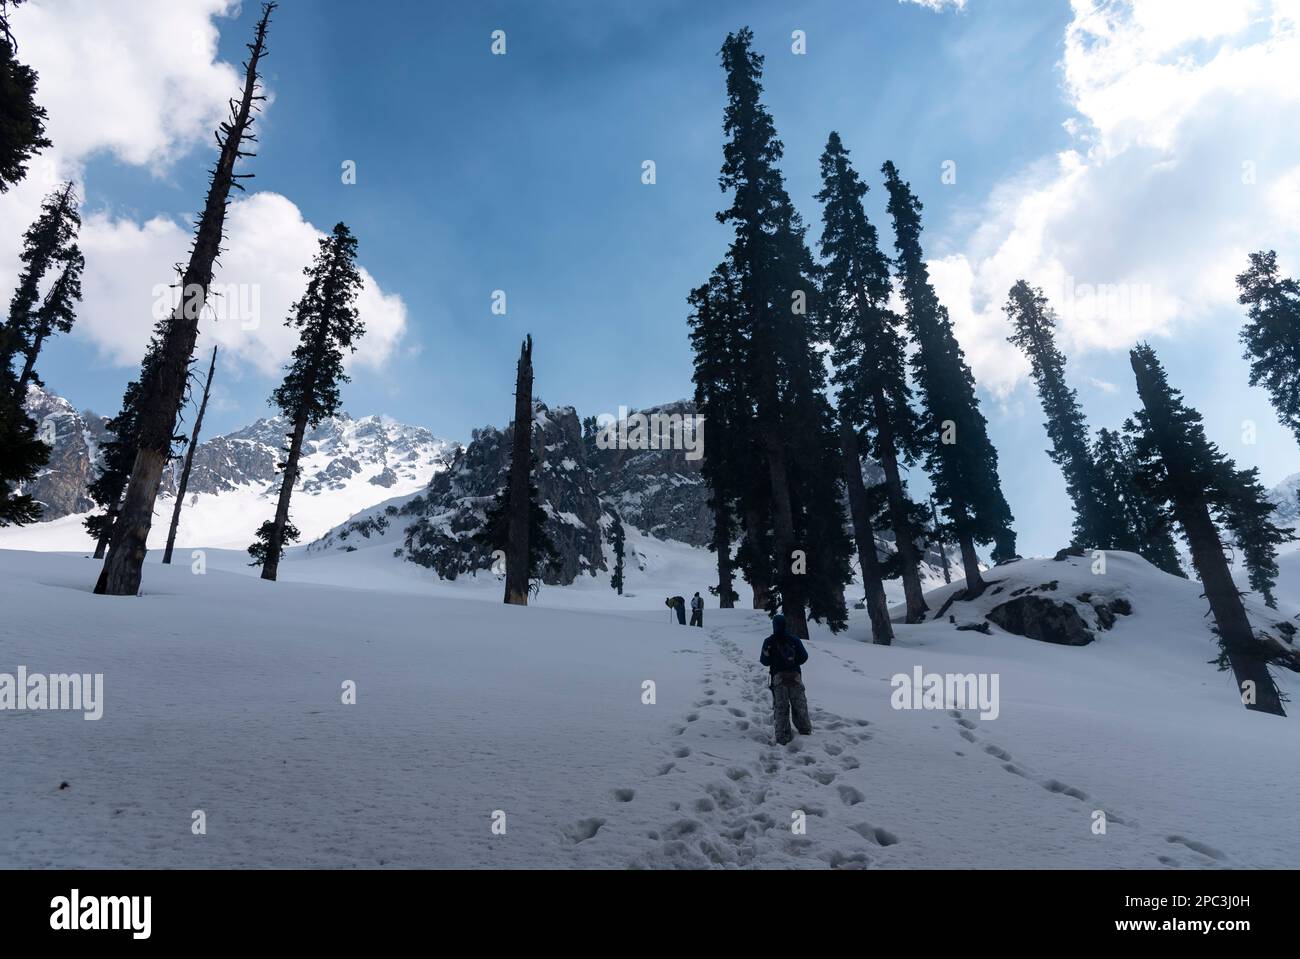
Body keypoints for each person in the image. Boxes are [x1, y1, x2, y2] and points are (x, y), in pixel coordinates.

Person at [759, 613, 812, 745]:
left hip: (778, 677)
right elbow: (804, 656)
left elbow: (764, 661)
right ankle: (804, 729)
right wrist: (794, 663)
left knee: (781, 707)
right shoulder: (794, 640)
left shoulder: (769, 641)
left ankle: (783, 736)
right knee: (799, 704)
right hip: (795, 676)